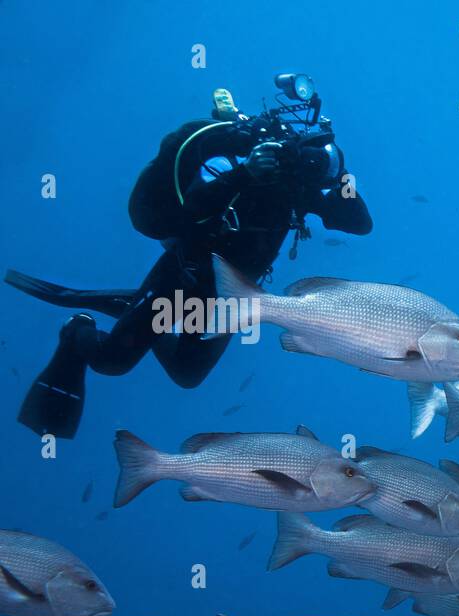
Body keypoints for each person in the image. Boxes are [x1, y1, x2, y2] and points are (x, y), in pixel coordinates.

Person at [9, 74, 372, 438]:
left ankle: (131, 307)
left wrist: (342, 176)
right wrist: (244, 174)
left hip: (234, 298)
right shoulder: (245, 164)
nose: (306, 166)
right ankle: (78, 330)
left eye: (313, 162)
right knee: (112, 362)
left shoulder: (300, 188)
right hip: (184, 276)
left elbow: (360, 224)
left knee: (187, 373)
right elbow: (184, 215)